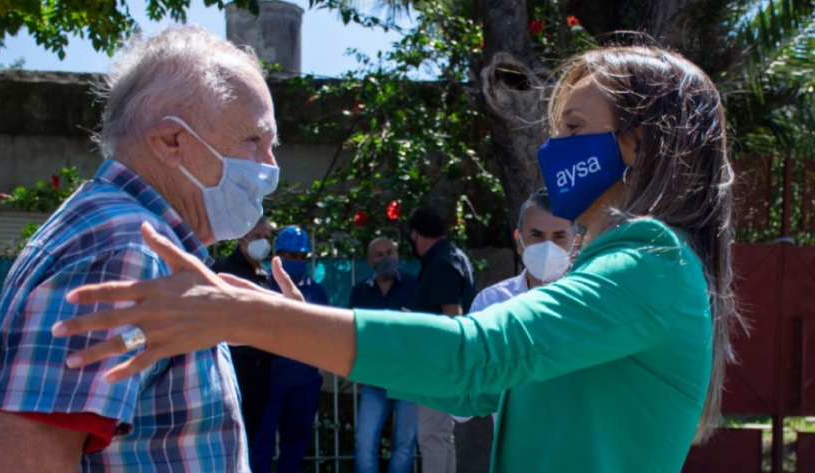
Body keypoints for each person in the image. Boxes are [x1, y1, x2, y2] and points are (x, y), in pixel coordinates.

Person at [53, 44, 745, 472]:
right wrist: (298, 322)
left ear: (639, 145)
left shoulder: (652, 259)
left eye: (573, 127)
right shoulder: (632, 268)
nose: (552, 148)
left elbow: (478, 355)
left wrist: (245, 312)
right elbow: (478, 386)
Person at [0, 25, 282, 471]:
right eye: (254, 140)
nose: (269, 167)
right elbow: (22, 459)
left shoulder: (128, 239)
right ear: (171, 141)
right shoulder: (125, 251)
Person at [454, 188, 580, 426]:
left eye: (559, 236)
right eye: (536, 235)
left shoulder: (592, 305)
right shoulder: (491, 304)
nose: (547, 246)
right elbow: (463, 403)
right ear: (519, 241)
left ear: (576, 244)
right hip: (518, 456)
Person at [249, 225, 327, 473]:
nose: (297, 261)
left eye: (302, 257)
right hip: (269, 381)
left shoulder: (317, 292)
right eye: (291, 256)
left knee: (296, 445)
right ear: (279, 255)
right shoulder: (264, 286)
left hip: (305, 381)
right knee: (260, 444)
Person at [404, 207, 475, 473]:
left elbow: (452, 316)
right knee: (442, 436)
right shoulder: (455, 257)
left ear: (416, 234)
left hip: (438, 364)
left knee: (432, 437)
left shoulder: (442, 263)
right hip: (450, 361)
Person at [349, 237, 418, 473]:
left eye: (390, 252)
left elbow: (425, 331)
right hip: (373, 380)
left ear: (398, 255)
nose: (385, 257)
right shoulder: (360, 292)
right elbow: (353, 333)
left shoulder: (414, 286)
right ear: (369, 261)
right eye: (379, 254)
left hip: (407, 379)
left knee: (405, 444)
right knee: (365, 442)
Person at [211, 216, 274, 472]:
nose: (263, 243)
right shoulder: (224, 271)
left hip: (262, 369)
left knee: (253, 437)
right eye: (257, 237)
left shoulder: (264, 274)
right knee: (229, 436)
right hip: (235, 367)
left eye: (266, 237)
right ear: (241, 239)